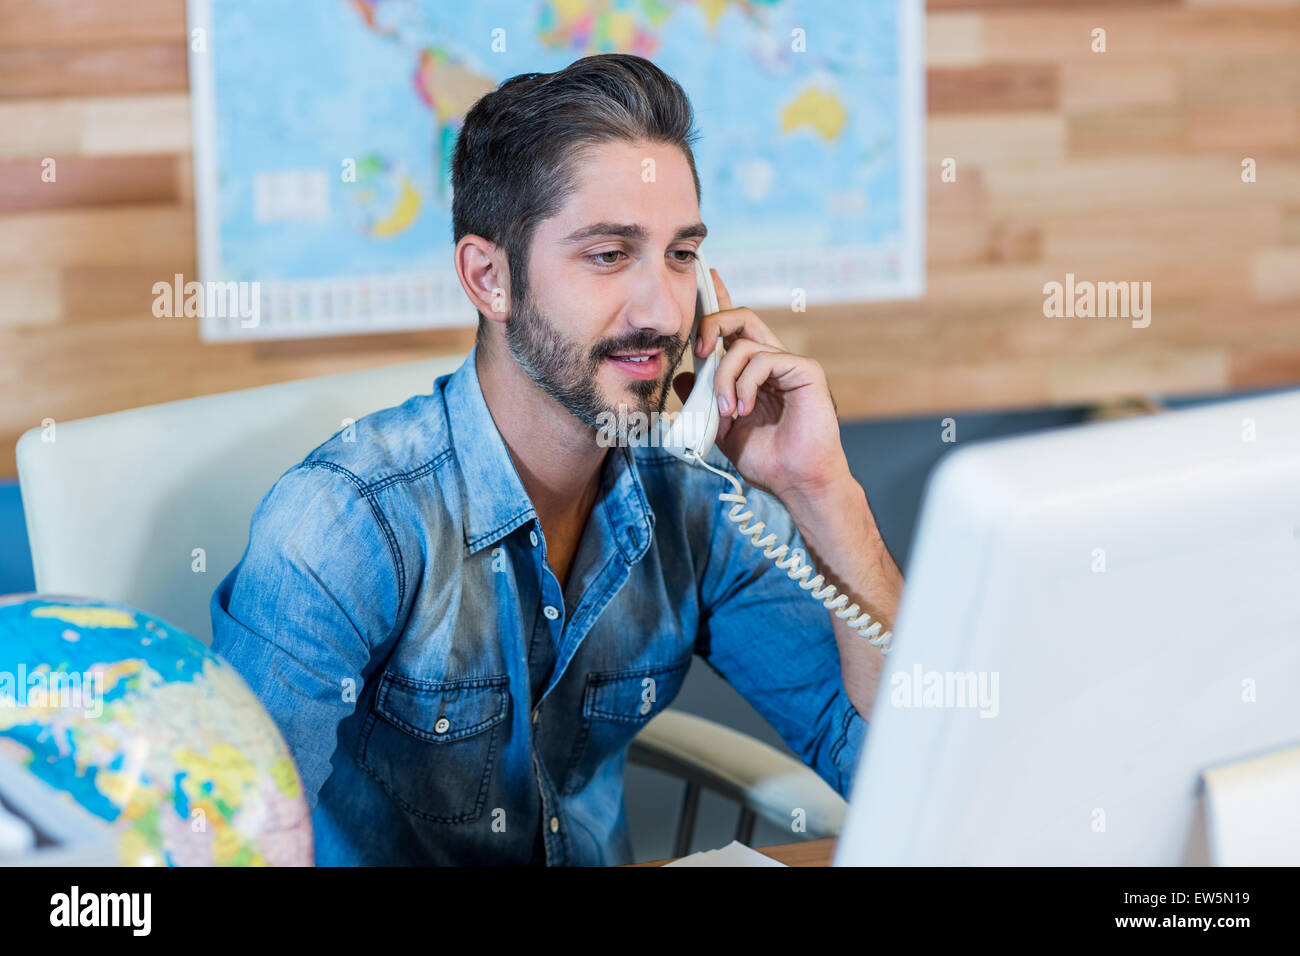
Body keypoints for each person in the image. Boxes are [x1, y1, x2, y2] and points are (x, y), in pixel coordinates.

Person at [210, 53, 902, 866]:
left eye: (680, 256)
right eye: (609, 254)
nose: (660, 310)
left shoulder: (694, 499)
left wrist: (823, 490)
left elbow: (901, 761)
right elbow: (233, 848)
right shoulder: (343, 522)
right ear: (490, 278)